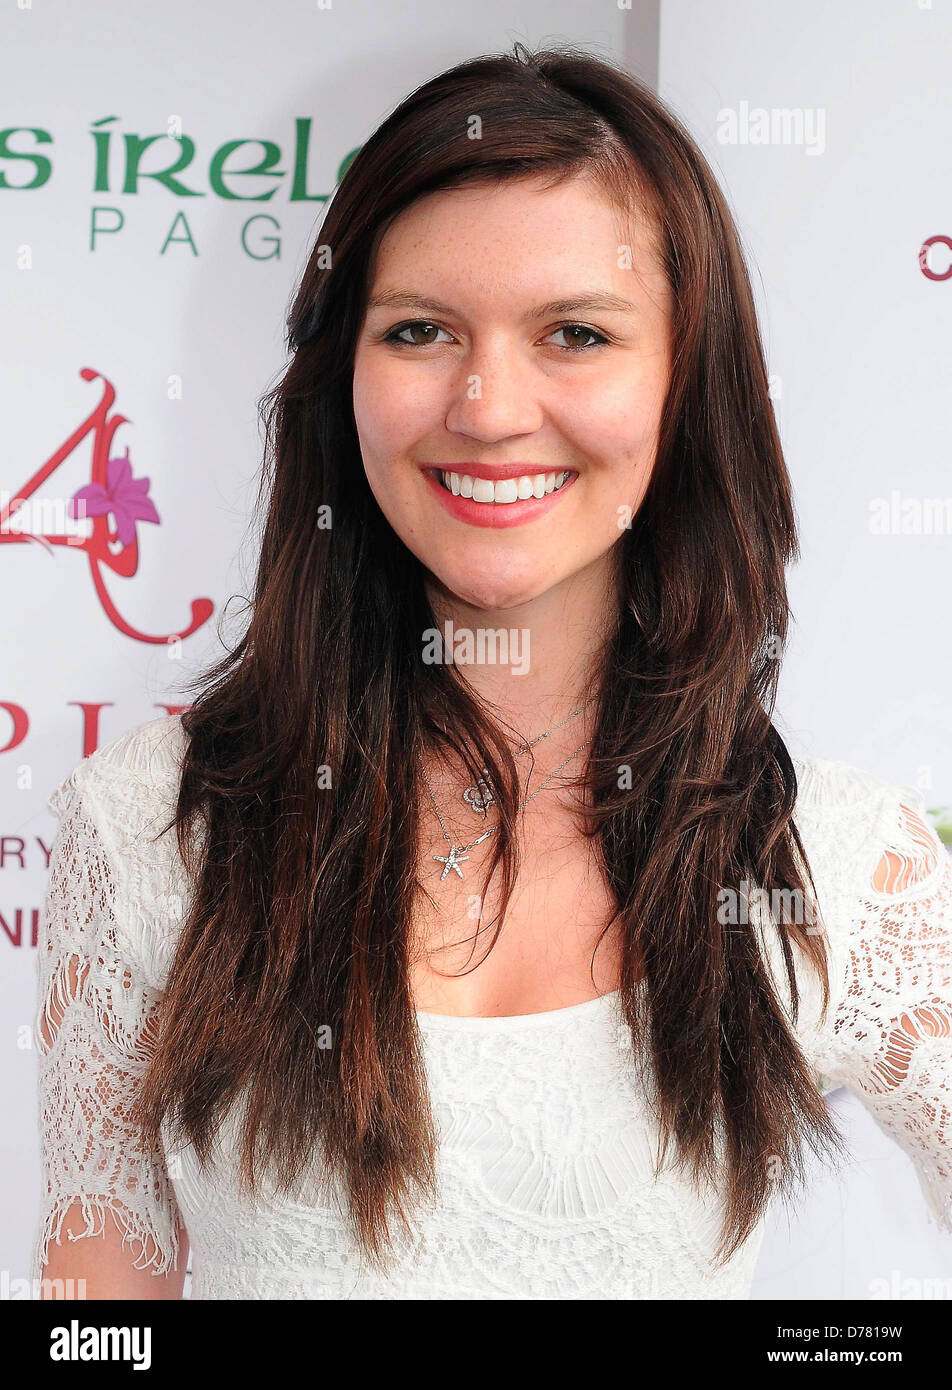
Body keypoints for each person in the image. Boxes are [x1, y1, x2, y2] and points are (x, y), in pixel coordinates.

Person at [33, 42, 951, 1300]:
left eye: (575, 332)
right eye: (420, 331)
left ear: (688, 383)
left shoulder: (834, 866)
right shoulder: (150, 826)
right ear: (339, 377)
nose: (488, 406)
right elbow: (93, 1315)